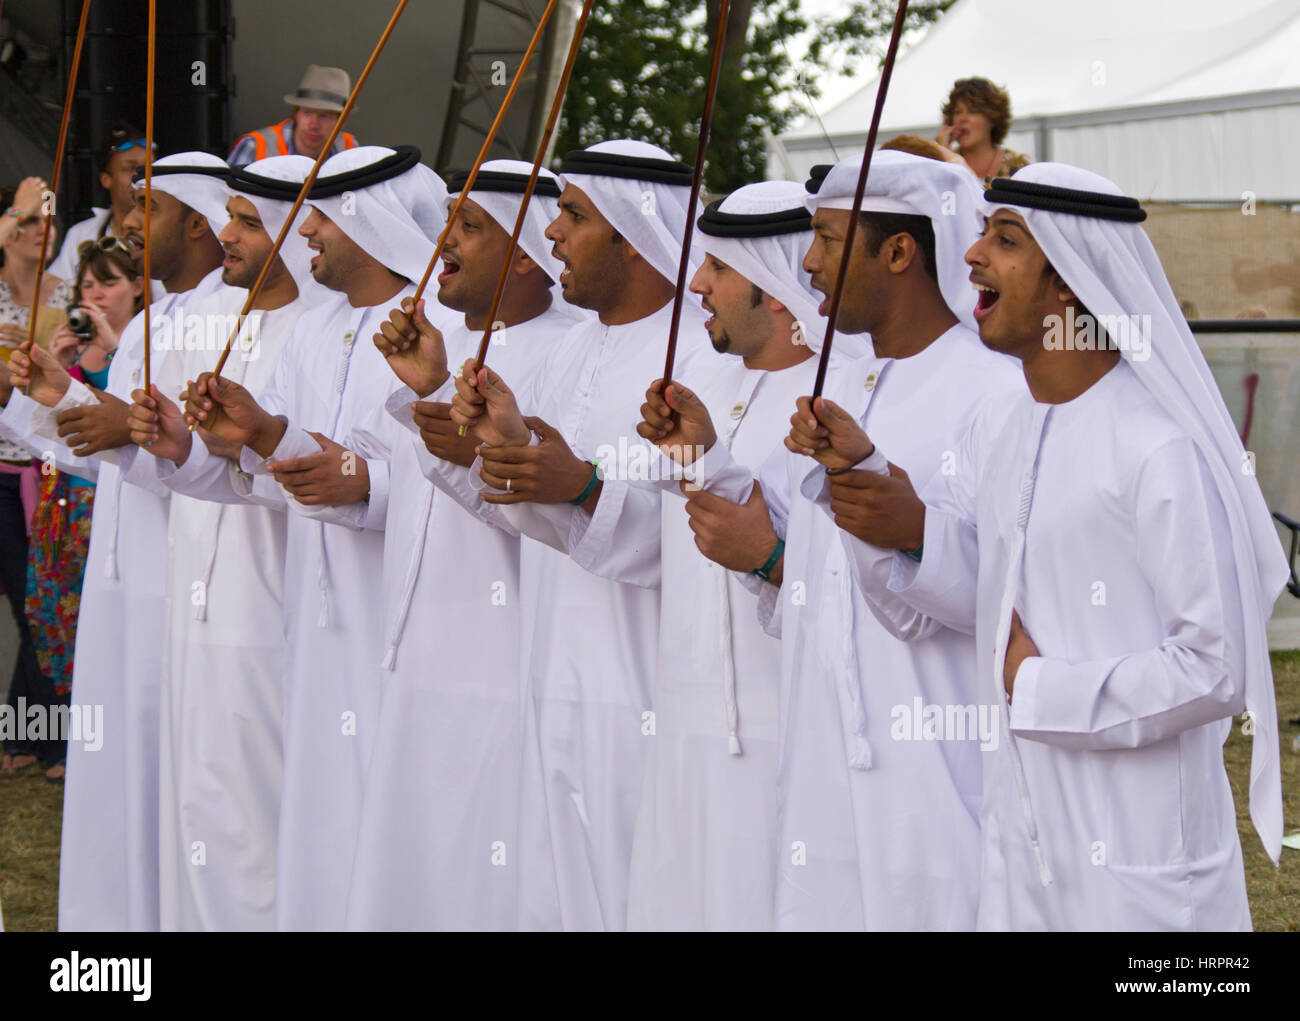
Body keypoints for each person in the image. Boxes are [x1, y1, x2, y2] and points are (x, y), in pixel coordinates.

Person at [820, 164, 1287, 930]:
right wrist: (883, 512)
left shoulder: (1155, 445)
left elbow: (1215, 668)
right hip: (1021, 850)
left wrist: (1036, 686)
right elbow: (976, 591)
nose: (972, 256)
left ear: (1069, 281)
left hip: (1144, 873)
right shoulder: (1006, 425)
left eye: (1005, 240)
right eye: (982, 234)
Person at [662, 151, 1024, 929]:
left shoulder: (991, 392)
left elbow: (1008, 601)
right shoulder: (845, 385)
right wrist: (708, 466)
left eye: (826, 238)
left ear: (898, 251)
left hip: (939, 775)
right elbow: (813, 594)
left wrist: (913, 529)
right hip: (823, 766)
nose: (809, 261)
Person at [173, 145, 453, 930]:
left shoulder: (440, 331)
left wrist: (370, 483)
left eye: (323, 217)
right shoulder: (316, 329)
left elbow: (467, 487)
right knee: (319, 817)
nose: (311, 234)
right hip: (316, 623)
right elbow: (285, 464)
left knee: (391, 822)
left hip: (405, 629)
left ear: (372, 223)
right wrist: (256, 433)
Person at [434, 139, 710, 930]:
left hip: (650, 696)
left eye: (573, 216)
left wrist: (585, 486)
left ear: (631, 232)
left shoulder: (698, 357)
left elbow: (708, 537)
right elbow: (528, 516)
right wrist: (498, 445)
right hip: (552, 675)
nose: (551, 233)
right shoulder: (567, 352)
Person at [577, 180, 840, 928]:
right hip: (682, 723)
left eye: (718, 268)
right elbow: (648, 540)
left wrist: (768, 557)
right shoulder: (698, 387)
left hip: (788, 731)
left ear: (780, 288)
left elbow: (856, 581)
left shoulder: (839, 400)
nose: (696, 283)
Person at [350, 159, 583, 930]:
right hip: (414, 654)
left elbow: (559, 517)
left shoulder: (574, 354)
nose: (444, 239)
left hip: (507, 665)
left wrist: (468, 441)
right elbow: (393, 488)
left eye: (469, 224)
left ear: (526, 253)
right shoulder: (434, 341)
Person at [3, 151, 228, 931]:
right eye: (131, 204)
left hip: (190, 588)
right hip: (121, 588)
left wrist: (117, 425)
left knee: (180, 788)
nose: (128, 223)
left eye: (149, 209)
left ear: (200, 222)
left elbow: (215, 458)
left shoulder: (235, 319)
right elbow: (108, 455)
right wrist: (52, 393)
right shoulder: (157, 321)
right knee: (118, 780)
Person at [123, 155, 314, 930]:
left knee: (253, 820)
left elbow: (318, 476)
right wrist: (180, 444)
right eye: (229, 218)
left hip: (268, 607)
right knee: (199, 802)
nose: (227, 237)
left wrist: (248, 446)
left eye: (247, 222)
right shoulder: (229, 321)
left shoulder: (315, 331)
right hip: (197, 603)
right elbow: (210, 473)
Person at [23, 240, 144, 781]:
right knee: (53, 614)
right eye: (89, 285)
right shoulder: (73, 349)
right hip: (60, 501)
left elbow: (136, 407)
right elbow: (49, 422)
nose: (95, 295)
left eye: (109, 283)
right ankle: (67, 736)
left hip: (109, 498)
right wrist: (62, 364)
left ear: (138, 287)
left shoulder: (143, 342)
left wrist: (116, 348)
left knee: (100, 617)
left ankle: (95, 743)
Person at [0, 177, 71, 775]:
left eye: (51, 219)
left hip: (49, 468)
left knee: (42, 604)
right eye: (33, 222)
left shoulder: (63, 291)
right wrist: (16, 209)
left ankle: (33, 738)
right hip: (1, 467)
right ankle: (33, 736)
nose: (45, 233)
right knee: (27, 604)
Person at [48, 122, 153, 282]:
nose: (143, 178)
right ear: (106, 180)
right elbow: (55, 294)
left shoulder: (171, 232)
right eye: (131, 169)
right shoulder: (81, 235)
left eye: (150, 168)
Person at [228, 65, 359, 168]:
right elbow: (227, 199)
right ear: (295, 113)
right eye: (307, 113)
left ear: (342, 121)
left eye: (324, 116)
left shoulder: (350, 148)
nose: (314, 125)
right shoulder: (255, 146)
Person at [935, 77, 1030, 185]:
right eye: (958, 112)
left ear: (992, 118)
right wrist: (942, 153)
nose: (963, 119)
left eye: (972, 111)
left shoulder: (1018, 166)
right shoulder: (943, 163)